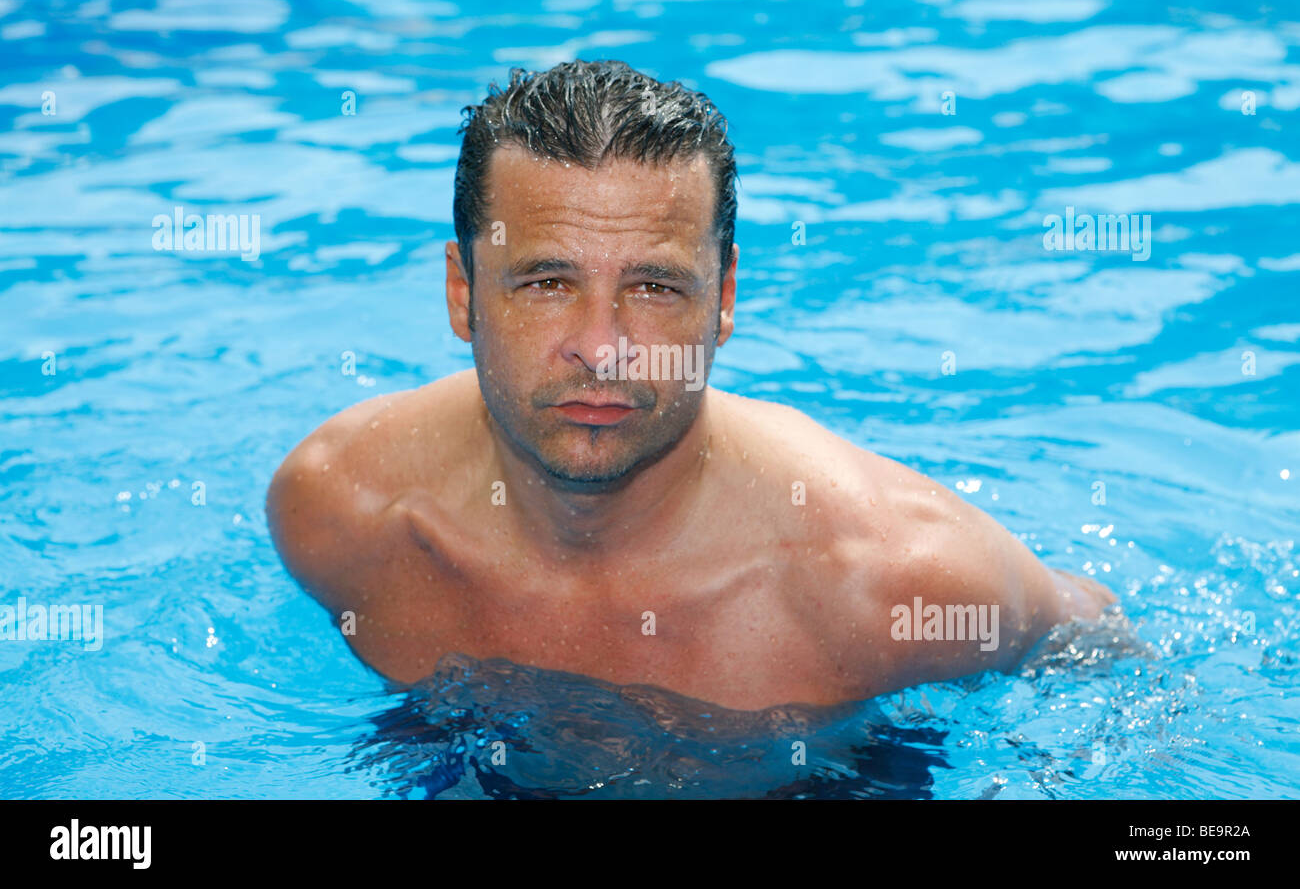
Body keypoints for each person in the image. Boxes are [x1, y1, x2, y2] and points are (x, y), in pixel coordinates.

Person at [266, 59, 1117, 712]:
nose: (602, 350)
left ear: (725, 300)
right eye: (546, 283)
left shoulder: (893, 578)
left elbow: (1099, 650)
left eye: (655, 288)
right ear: (462, 293)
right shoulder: (340, 513)